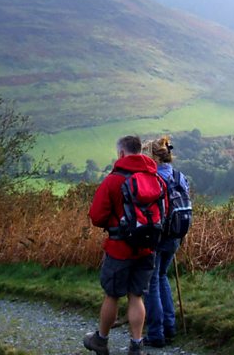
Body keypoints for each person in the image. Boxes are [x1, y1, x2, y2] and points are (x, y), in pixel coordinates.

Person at [84, 135, 159, 355]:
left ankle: (101, 340)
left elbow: (96, 216)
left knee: (112, 295)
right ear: (140, 151)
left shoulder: (113, 180)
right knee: (136, 296)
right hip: (147, 247)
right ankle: (136, 345)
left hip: (119, 248)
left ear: (121, 153)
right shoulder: (155, 178)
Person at [141, 136, 191, 348]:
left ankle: (156, 333)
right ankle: (169, 327)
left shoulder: (152, 178)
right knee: (162, 277)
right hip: (176, 235)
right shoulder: (180, 176)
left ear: (152, 157)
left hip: (157, 236)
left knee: (152, 282)